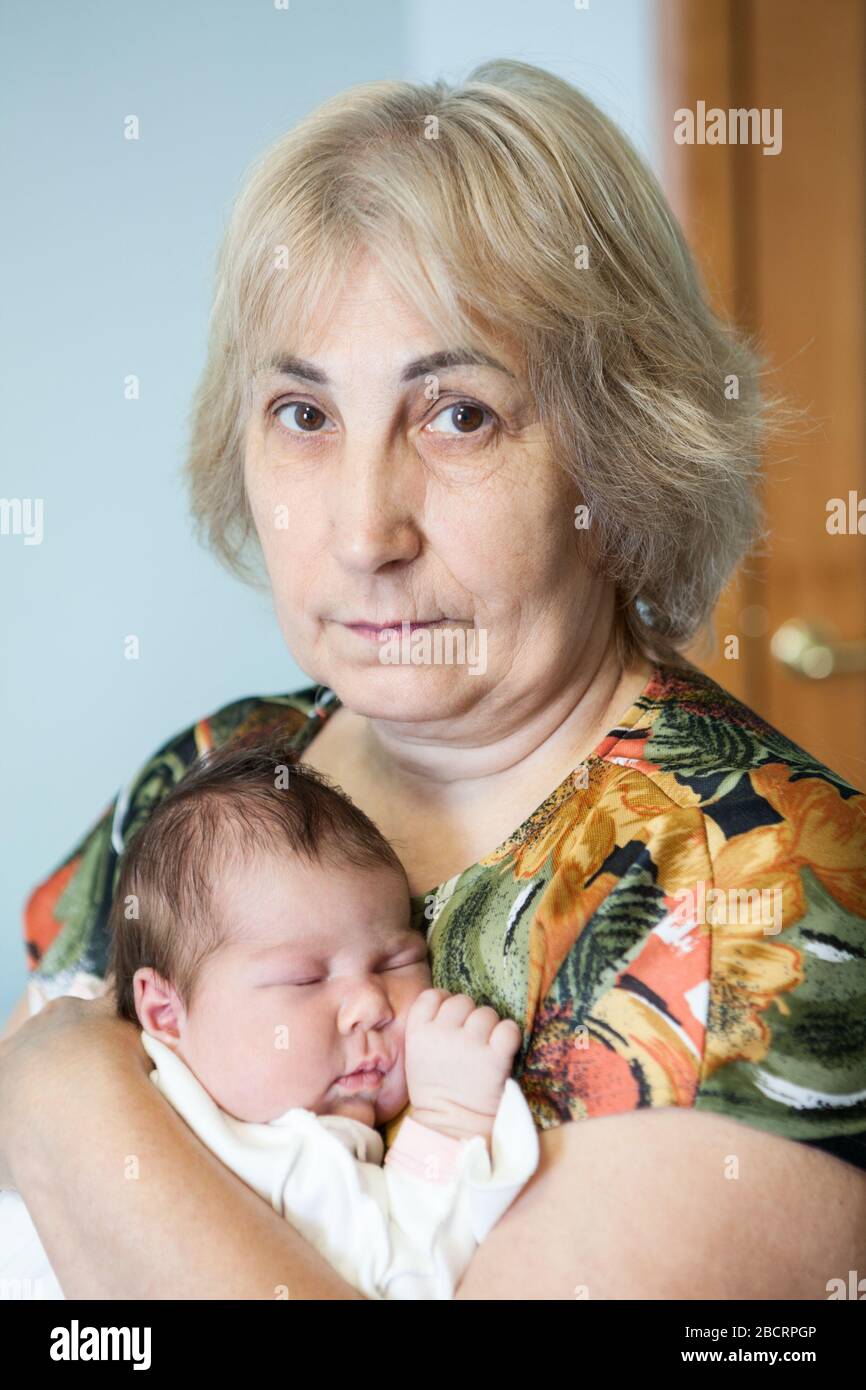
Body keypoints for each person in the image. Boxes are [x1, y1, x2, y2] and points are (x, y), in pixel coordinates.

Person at [2, 57, 865, 1300]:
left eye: (457, 413)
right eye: (303, 414)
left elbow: (47, 1116)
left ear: (619, 457)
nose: (362, 531)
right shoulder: (215, 770)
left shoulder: (774, 902)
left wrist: (66, 1087)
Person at [0, 740, 538, 1300]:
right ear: (164, 1010)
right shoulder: (297, 1153)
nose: (371, 1006)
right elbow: (410, 1269)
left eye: (396, 961)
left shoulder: (306, 1157)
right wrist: (449, 1123)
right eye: (305, 980)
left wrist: (445, 1117)